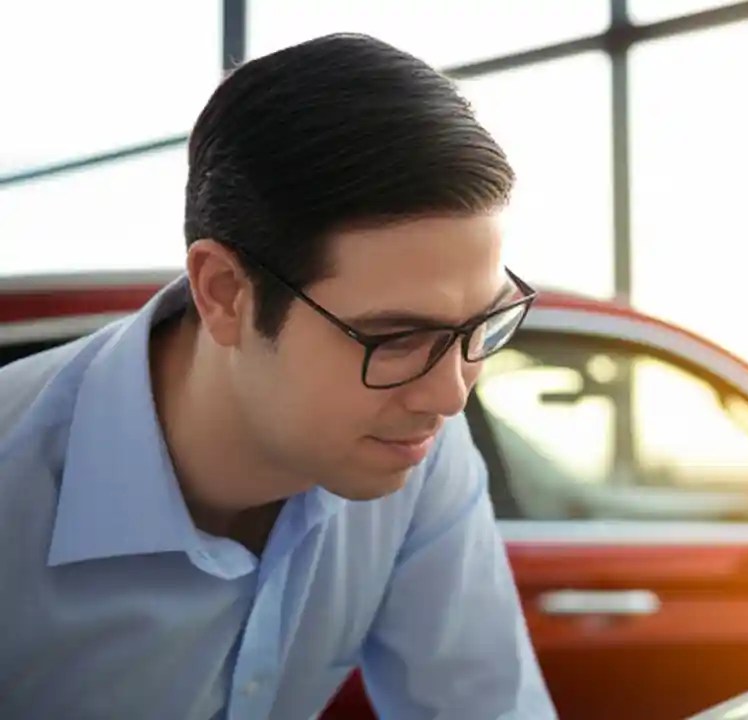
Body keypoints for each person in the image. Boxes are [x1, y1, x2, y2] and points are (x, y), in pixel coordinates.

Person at [0, 33, 556, 719]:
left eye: (482, 327)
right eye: (395, 337)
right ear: (225, 292)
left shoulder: (415, 455)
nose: (449, 395)